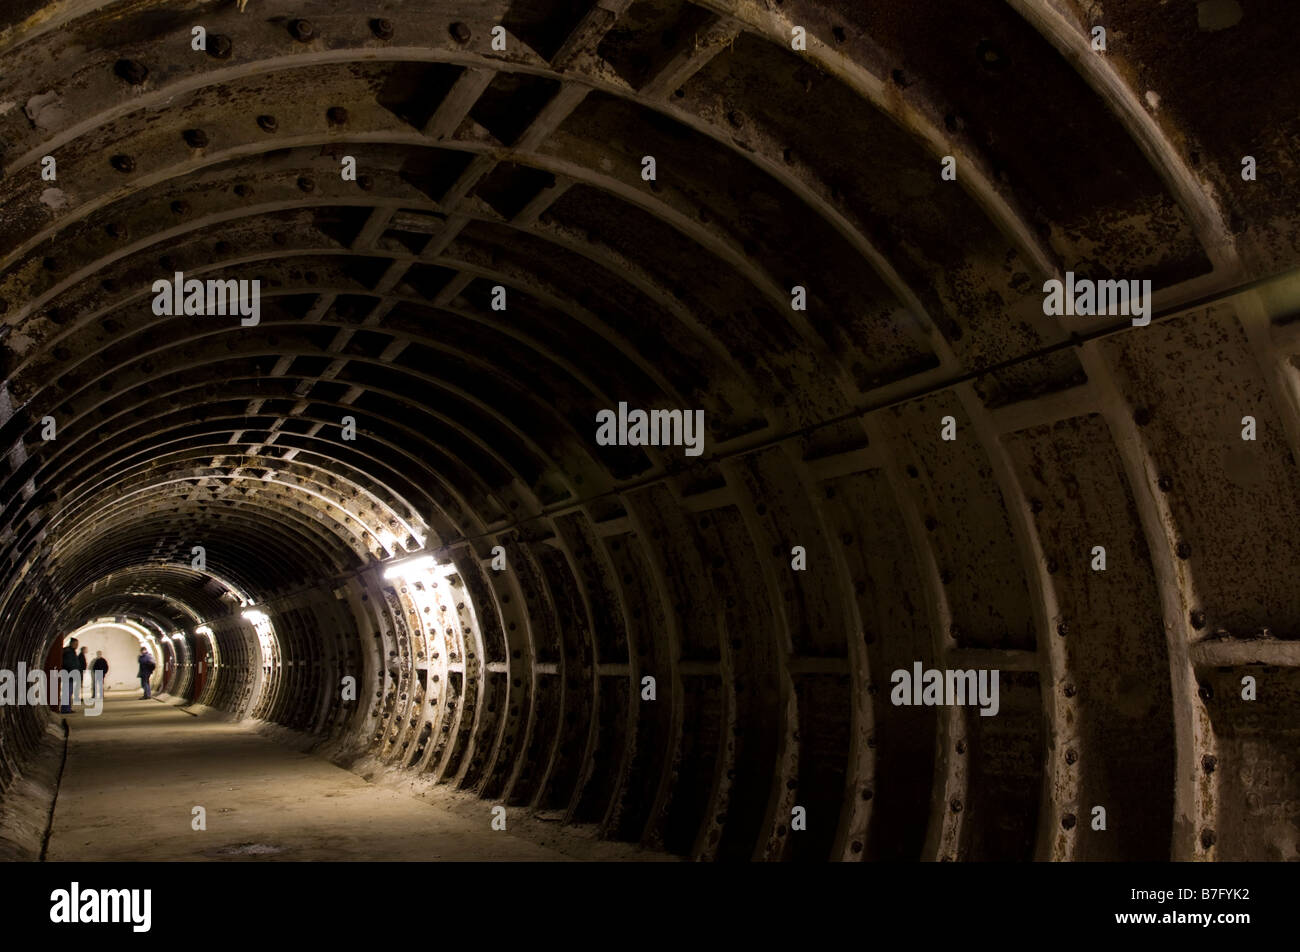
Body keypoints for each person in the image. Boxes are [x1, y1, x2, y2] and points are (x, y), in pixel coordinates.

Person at [59, 637, 80, 713]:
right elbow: (68, 664)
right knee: (67, 692)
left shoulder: (71, 651)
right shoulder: (68, 652)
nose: (77, 645)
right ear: (72, 643)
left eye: (77, 644)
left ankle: (67, 708)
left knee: (69, 692)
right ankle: (65, 709)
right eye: (76, 644)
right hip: (68, 675)